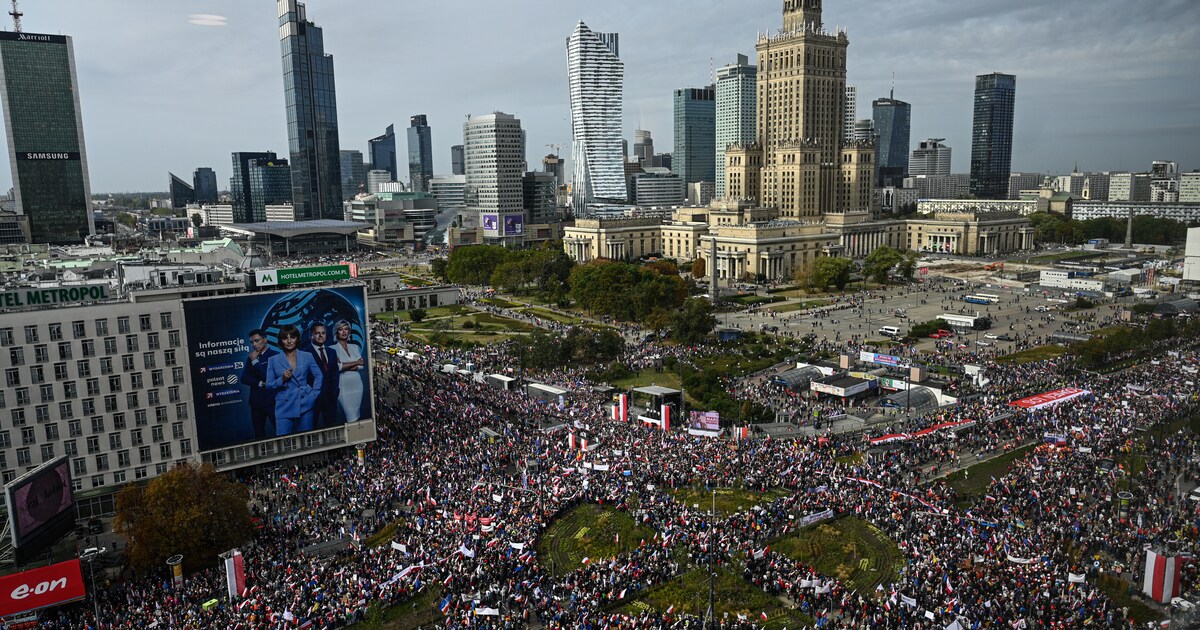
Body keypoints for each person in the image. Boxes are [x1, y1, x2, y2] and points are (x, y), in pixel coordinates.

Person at [266, 324, 322, 435]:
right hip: (284, 406)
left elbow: (319, 375)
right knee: (284, 443)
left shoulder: (307, 356)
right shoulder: (273, 360)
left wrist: (314, 394)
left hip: (305, 403)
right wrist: (281, 379)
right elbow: (268, 385)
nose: (289, 341)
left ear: (297, 338)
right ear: (281, 341)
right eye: (285, 338)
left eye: (292, 337)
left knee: (307, 441)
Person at [240, 329, 278, 440]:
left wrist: (255, 362)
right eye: (252, 342)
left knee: (280, 431)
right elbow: (243, 378)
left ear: (265, 340)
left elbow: (268, 377)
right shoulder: (251, 357)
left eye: (256, 341)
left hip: (272, 402)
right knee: (259, 435)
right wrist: (260, 383)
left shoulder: (275, 355)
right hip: (255, 403)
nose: (254, 344)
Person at [307, 323, 341, 428]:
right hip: (313, 399)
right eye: (317, 333)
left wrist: (335, 391)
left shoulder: (332, 352)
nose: (321, 336)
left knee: (331, 427)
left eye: (323, 333)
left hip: (331, 397)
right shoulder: (305, 353)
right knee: (311, 428)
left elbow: (335, 373)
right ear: (310, 336)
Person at [332, 320, 366, 422]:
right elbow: (337, 367)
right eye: (340, 329)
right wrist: (356, 362)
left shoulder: (355, 347)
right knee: (351, 416)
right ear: (336, 332)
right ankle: (354, 435)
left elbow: (362, 366)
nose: (344, 331)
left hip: (357, 385)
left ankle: (356, 435)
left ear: (349, 331)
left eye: (346, 329)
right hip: (343, 387)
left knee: (356, 415)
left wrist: (344, 365)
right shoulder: (332, 349)